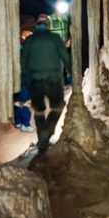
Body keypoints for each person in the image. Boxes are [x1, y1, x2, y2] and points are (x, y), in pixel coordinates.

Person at [21, 13, 72, 151]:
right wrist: (72, 75)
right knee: (57, 106)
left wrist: (26, 79)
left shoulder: (29, 40)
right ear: (48, 25)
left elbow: (22, 62)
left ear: (37, 25)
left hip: (34, 80)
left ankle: (42, 141)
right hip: (53, 80)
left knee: (39, 110)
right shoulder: (54, 38)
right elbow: (66, 58)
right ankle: (45, 134)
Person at [13, 30, 34, 133]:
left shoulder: (16, 50)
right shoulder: (26, 51)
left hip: (15, 79)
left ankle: (18, 122)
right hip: (24, 79)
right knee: (25, 101)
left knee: (17, 100)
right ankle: (25, 124)